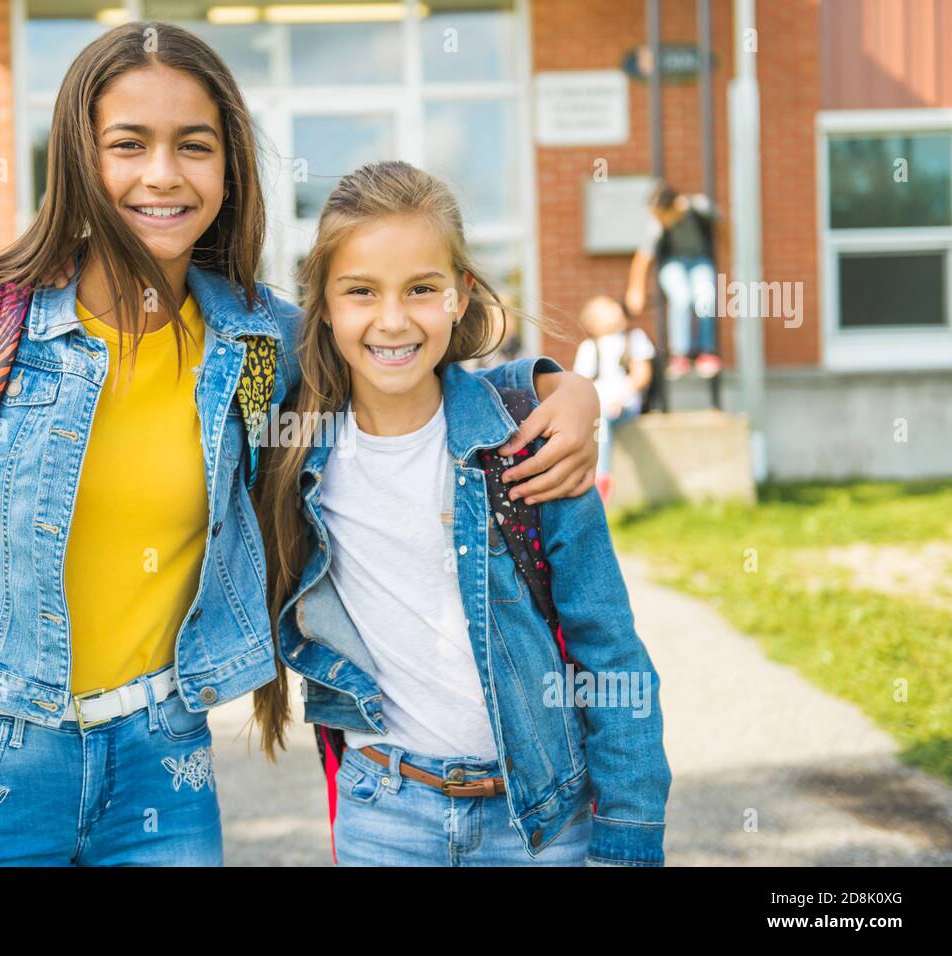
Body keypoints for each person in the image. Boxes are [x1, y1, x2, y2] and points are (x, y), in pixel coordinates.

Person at [0, 22, 605, 866]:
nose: (162, 174)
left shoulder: (260, 343)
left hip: (165, 756)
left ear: (229, 167)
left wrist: (559, 389)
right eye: (128, 144)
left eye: (193, 146)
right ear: (79, 158)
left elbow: (402, 367)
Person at [251, 161, 671, 867]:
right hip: (384, 818)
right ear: (321, 304)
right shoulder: (293, 451)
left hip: (540, 823)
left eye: (422, 289)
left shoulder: (528, 442)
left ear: (461, 295)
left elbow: (611, 652)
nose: (392, 319)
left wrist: (628, 844)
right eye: (360, 291)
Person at [624, 182, 720, 379]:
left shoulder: (699, 208)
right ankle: (680, 354)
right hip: (673, 262)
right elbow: (643, 257)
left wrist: (729, 257)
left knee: (705, 297)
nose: (657, 219)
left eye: (659, 214)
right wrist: (636, 289)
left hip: (700, 260)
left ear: (673, 207)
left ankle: (706, 352)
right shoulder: (657, 225)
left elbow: (723, 226)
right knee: (681, 298)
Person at [573, 295, 655, 503]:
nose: (616, 309)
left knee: (602, 419)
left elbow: (641, 376)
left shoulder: (634, 338)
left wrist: (620, 398)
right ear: (593, 324)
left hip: (624, 406)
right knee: (598, 420)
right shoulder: (589, 347)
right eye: (607, 309)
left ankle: (601, 479)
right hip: (599, 409)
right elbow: (582, 384)